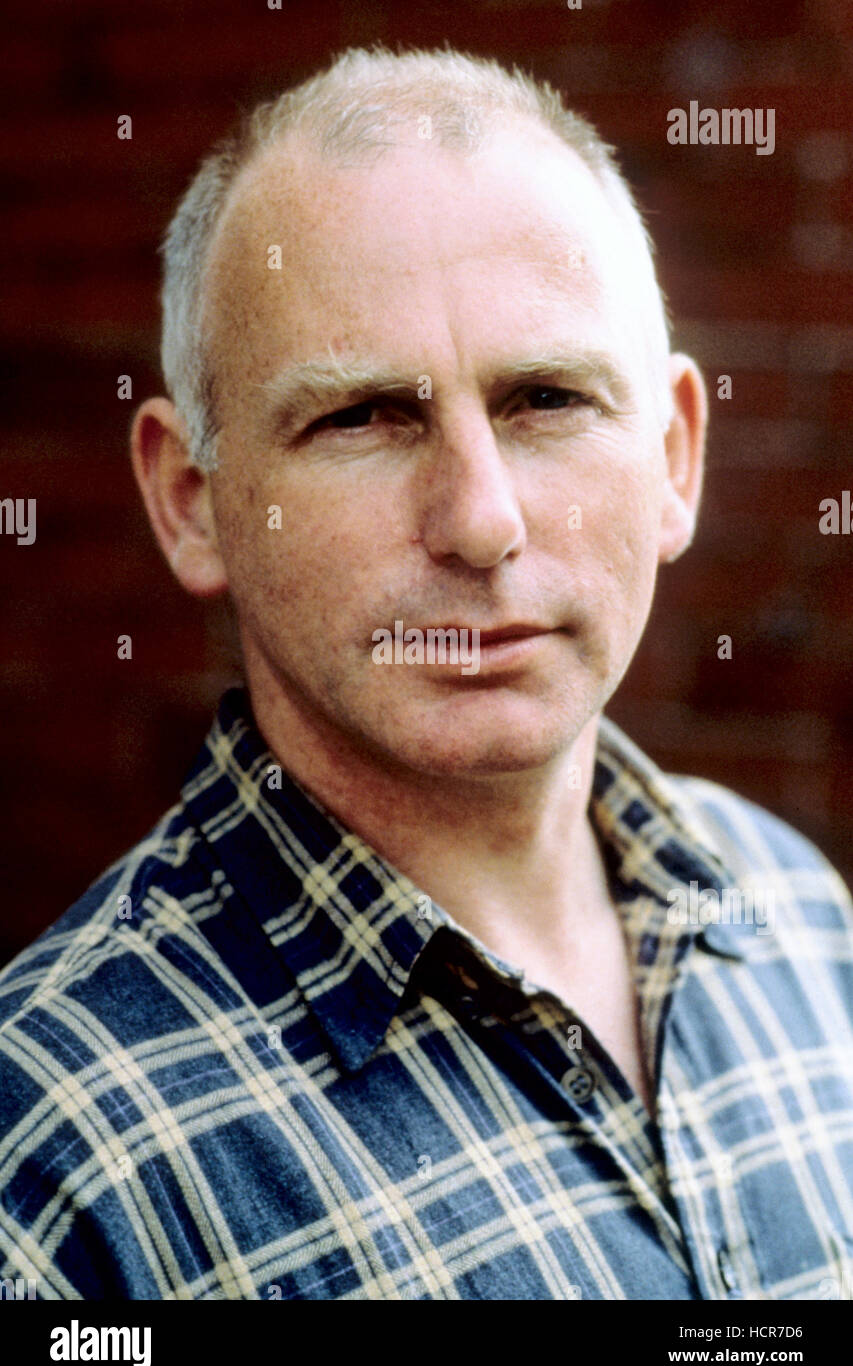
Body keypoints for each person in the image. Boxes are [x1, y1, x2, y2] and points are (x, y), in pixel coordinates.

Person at [1, 45, 852, 1302]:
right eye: (362, 418)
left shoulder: (797, 919)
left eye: (547, 399)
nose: (481, 520)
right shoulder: (59, 1165)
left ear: (675, 457)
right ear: (193, 502)